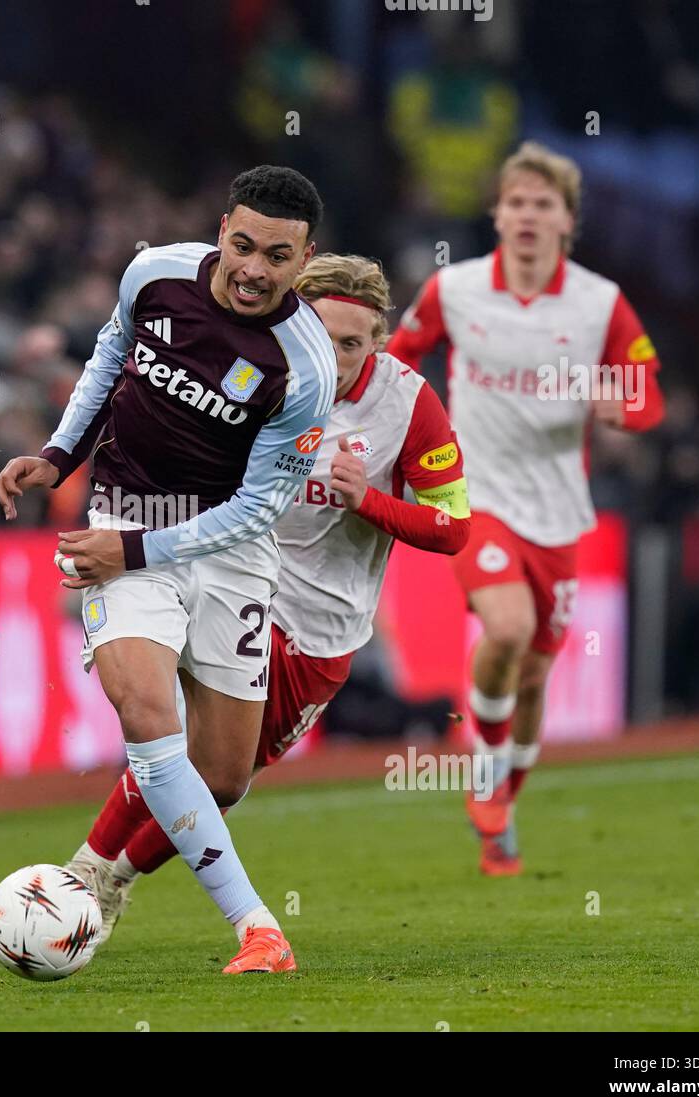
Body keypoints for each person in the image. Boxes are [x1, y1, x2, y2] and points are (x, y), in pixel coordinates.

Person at [65, 254, 471, 941]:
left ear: (379, 341)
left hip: (319, 629)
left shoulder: (408, 403)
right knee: (162, 731)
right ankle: (85, 875)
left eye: (354, 342)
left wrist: (367, 501)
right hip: (228, 576)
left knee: (222, 779)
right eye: (322, 332)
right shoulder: (260, 367)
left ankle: (113, 875)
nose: (337, 356)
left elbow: (454, 528)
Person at [0, 166, 336, 973]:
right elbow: (112, 357)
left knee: (220, 776)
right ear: (222, 230)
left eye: (277, 257)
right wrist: (58, 454)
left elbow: (257, 510)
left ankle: (101, 874)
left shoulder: (305, 368)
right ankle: (258, 927)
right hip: (125, 522)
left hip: (228, 551)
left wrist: (134, 550)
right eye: (244, 245)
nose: (254, 268)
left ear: (304, 259)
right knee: (149, 715)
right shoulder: (154, 274)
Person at [387, 141, 664, 875]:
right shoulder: (456, 288)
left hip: (560, 510)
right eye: (516, 202)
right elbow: (399, 355)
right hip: (478, 495)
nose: (529, 216)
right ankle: (484, 767)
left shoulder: (600, 301)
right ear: (498, 214)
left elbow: (647, 393)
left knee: (535, 676)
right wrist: (405, 435)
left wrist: (618, 405)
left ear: (568, 220)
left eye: (544, 204)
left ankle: (502, 802)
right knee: (505, 626)